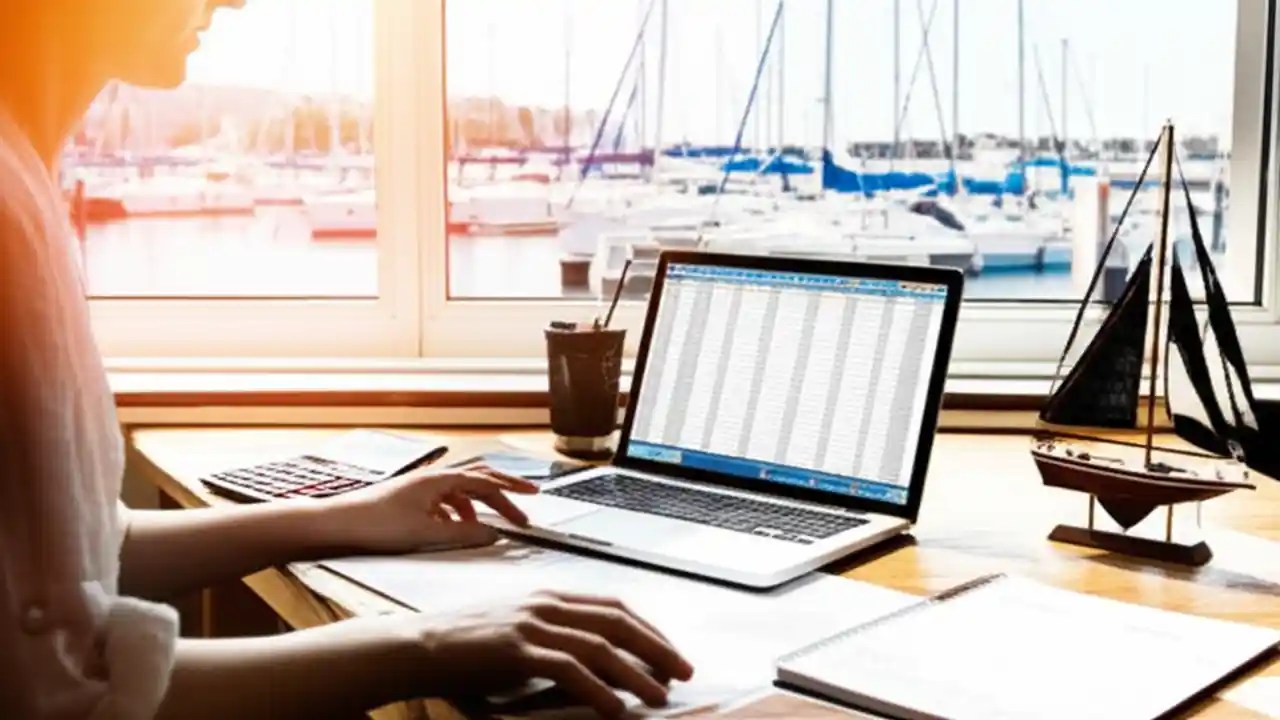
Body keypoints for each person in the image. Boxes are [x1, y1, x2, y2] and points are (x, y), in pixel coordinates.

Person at [0, 2, 692, 718]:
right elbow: (60, 692)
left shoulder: (27, 173)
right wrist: (428, 642)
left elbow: (94, 549)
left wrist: (349, 515)